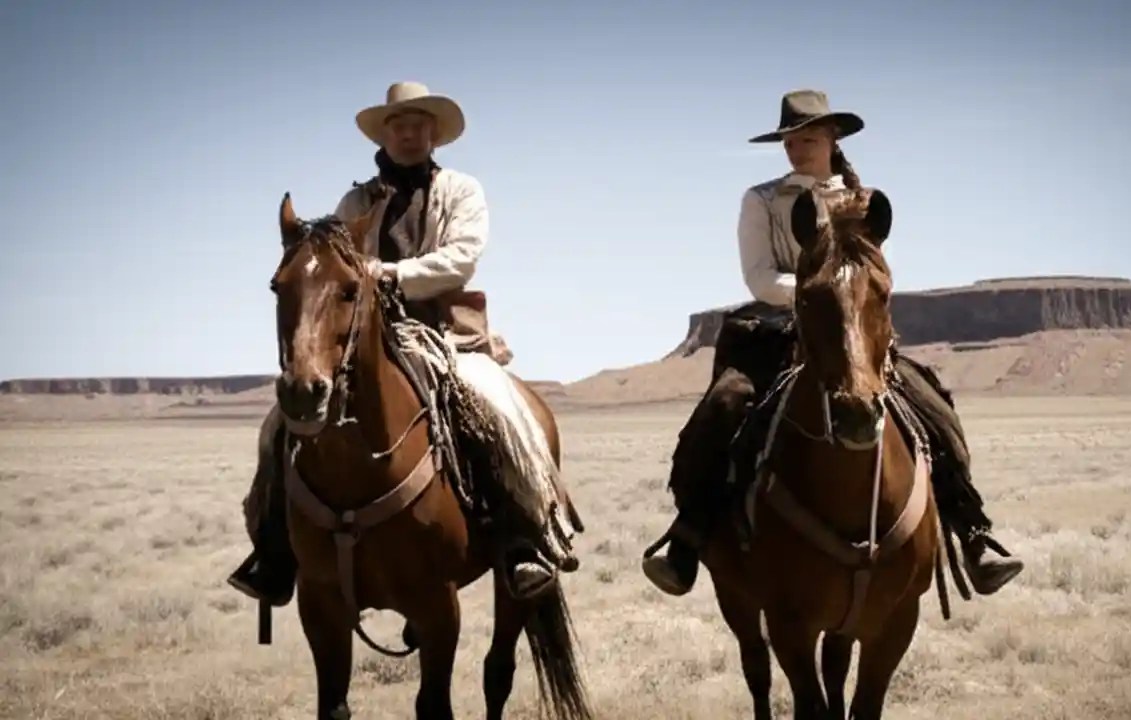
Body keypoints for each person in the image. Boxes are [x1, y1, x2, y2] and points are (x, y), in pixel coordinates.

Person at [641, 88, 1024, 598]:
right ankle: (687, 540)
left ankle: (972, 533)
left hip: (854, 338)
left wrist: (850, 303)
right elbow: (758, 277)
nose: (798, 149)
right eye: (791, 141)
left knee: (930, 399)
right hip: (777, 331)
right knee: (725, 404)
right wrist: (815, 298)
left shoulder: (863, 201)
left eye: (809, 139)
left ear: (831, 139)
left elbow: (872, 272)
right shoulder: (760, 200)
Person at [228, 81, 578, 608]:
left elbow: (461, 258)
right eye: (399, 125)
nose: (409, 134)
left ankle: (524, 536)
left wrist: (386, 274)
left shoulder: (461, 191)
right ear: (385, 134)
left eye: (419, 125)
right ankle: (275, 549)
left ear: (434, 134)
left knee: (498, 404)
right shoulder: (355, 201)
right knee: (281, 424)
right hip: (365, 338)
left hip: (446, 334)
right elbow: (334, 272)